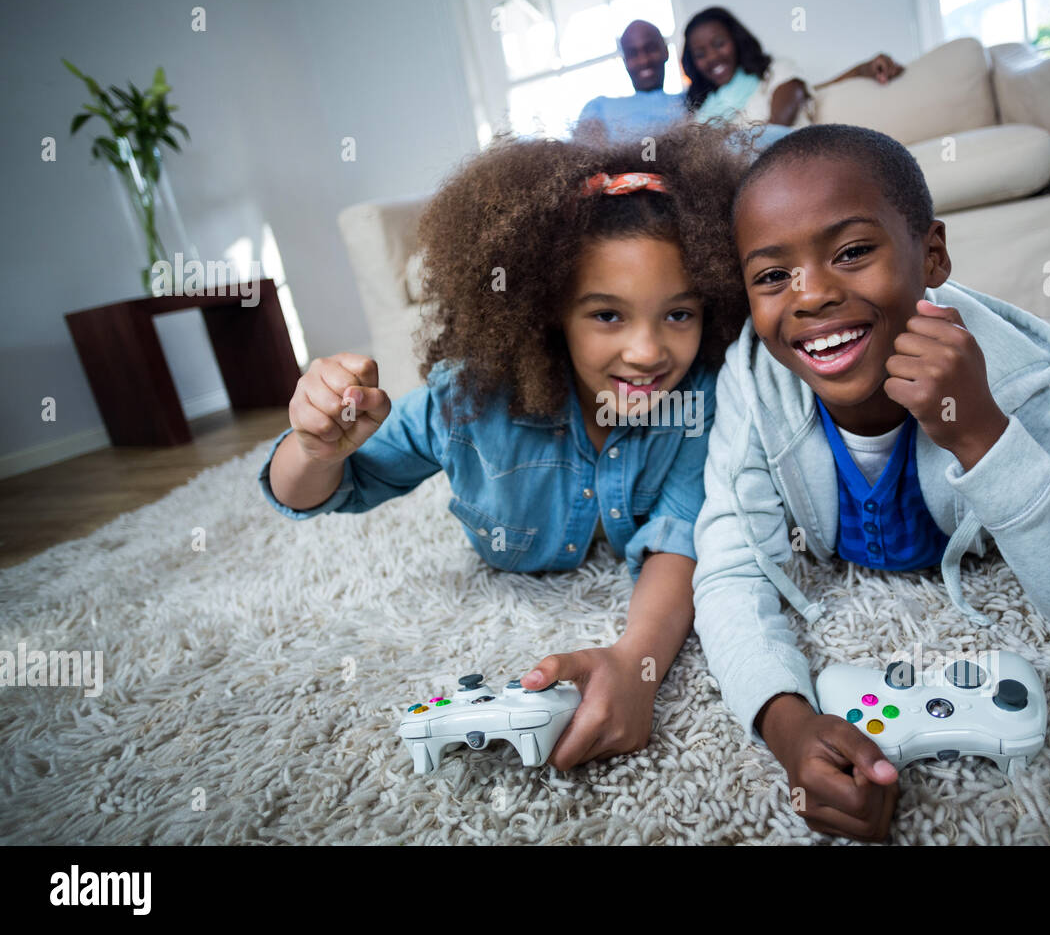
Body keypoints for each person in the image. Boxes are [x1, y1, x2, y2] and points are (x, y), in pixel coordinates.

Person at [691, 124, 1050, 842]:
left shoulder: (995, 374)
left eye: (851, 252)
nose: (810, 295)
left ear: (931, 254)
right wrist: (785, 723)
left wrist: (979, 431)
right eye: (772, 276)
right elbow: (727, 572)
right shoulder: (755, 383)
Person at [258, 123, 751, 770]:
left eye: (678, 314)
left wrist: (636, 662)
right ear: (548, 312)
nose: (648, 350)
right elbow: (325, 490)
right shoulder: (469, 402)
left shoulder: (704, 398)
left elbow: (681, 540)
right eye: (608, 315)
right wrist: (314, 446)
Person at [683, 6, 904, 133]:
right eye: (700, 54)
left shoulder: (774, 74)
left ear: (736, 40)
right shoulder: (700, 110)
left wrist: (863, 70)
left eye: (719, 44)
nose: (712, 57)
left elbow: (776, 134)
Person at [574, 21, 685, 143]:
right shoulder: (598, 107)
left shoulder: (691, 99)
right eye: (633, 53)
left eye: (651, 49)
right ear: (625, 61)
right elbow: (587, 156)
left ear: (666, 52)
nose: (643, 60)